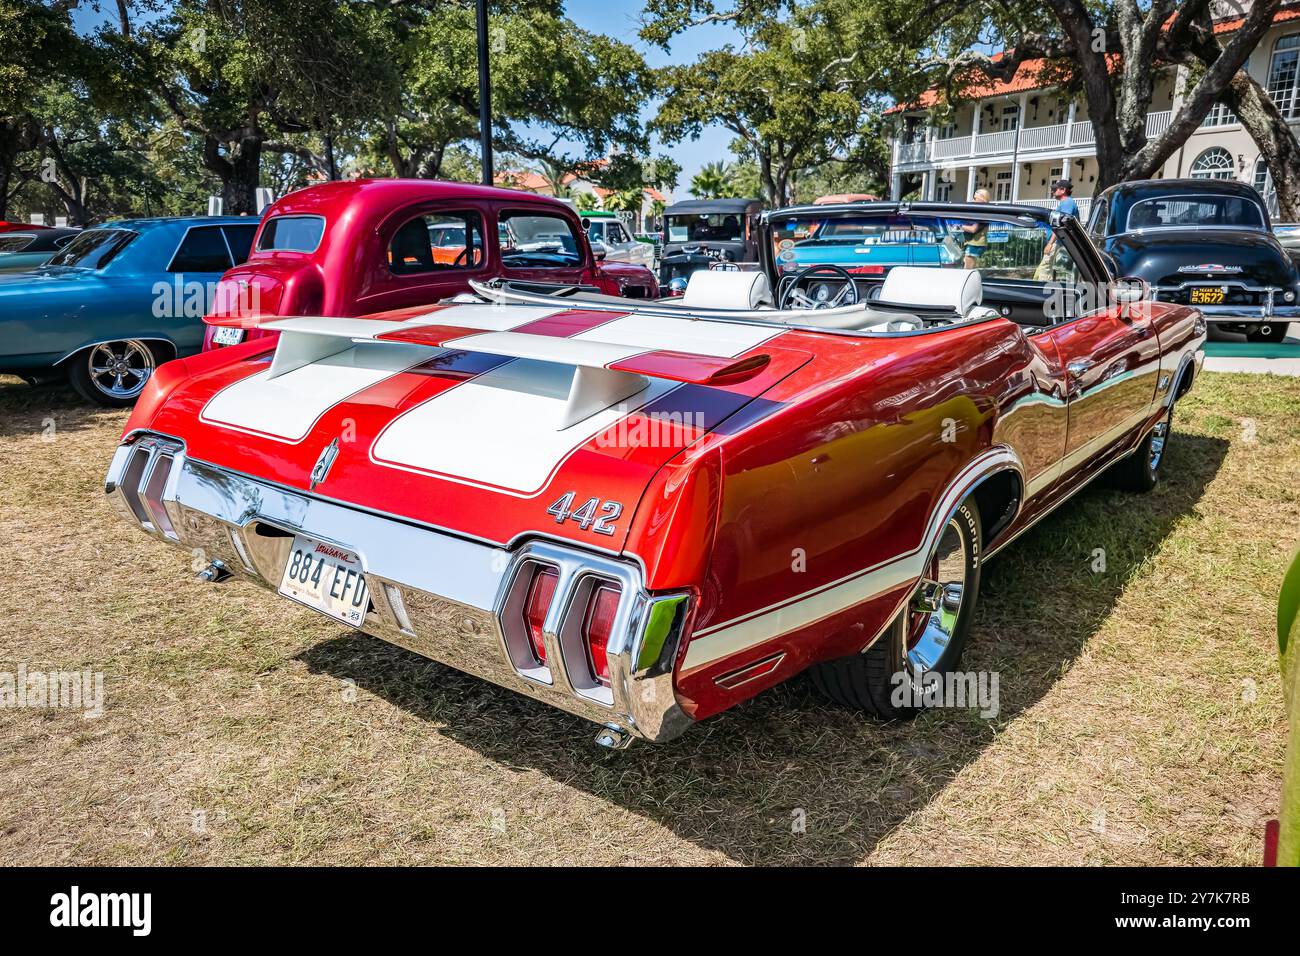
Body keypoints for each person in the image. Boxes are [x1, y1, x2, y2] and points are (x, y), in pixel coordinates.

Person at [1033, 179, 1079, 281]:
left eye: (1055, 189)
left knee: (1045, 268)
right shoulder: (1065, 203)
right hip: (1058, 241)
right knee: (1046, 268)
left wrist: (1050, 243)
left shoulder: (1067, 203)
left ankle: (1042, 287)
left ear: (1063, 190)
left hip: (1058, 242)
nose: (1052, 191)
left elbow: (1060, 225)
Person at [962, 188, 991, 269]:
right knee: (968, 267)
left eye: (975, 198)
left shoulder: (982, 212)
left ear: (982, 199)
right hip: (975, 243)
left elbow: (973, 229)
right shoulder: (983, 211)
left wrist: (960, 226)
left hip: (975, 243)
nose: (973, 200)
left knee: (967, 270)